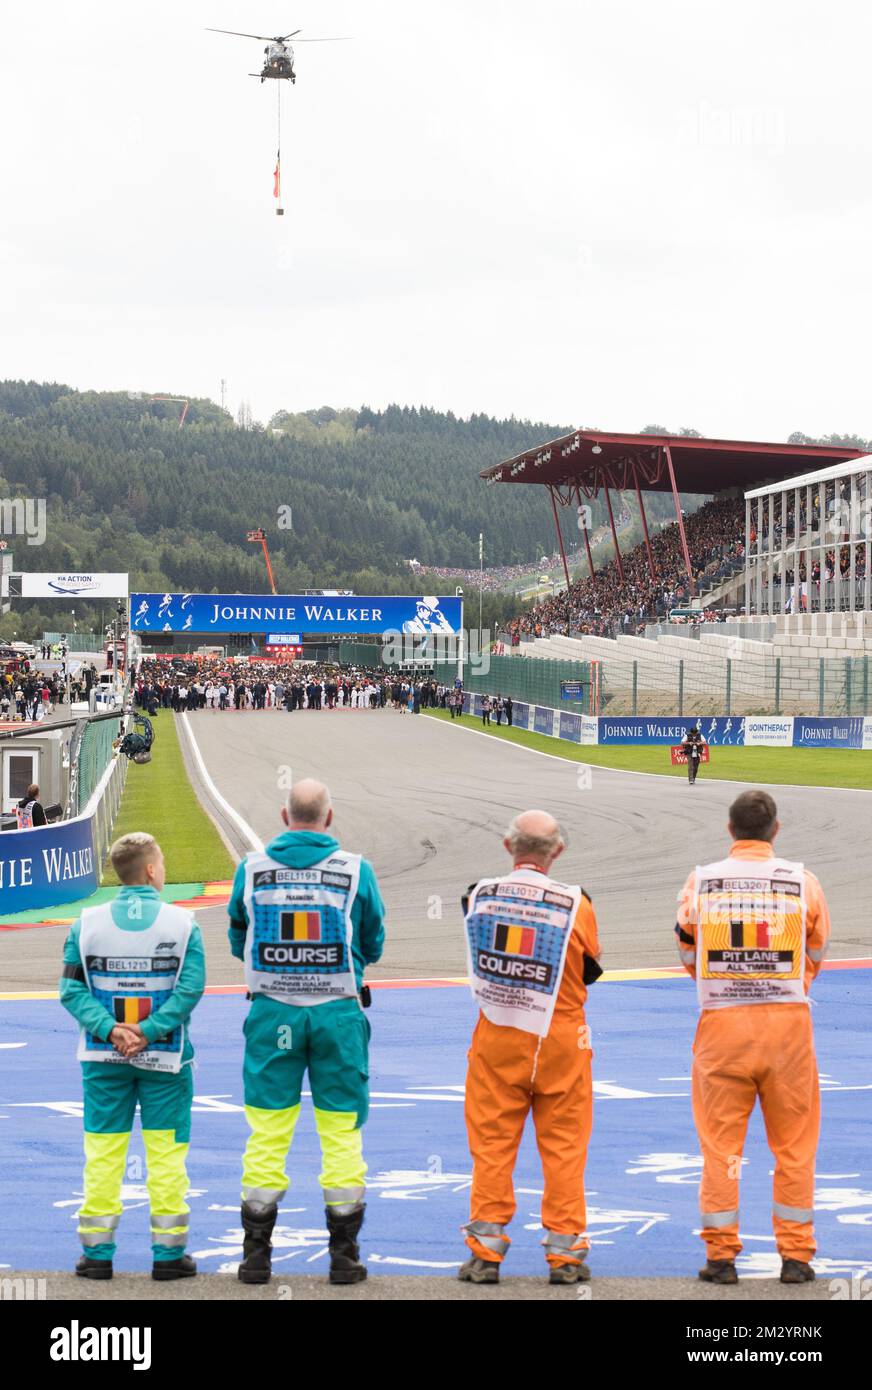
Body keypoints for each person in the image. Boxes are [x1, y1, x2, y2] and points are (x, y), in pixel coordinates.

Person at [228, 778, 386, 1286]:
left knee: (268, 1132)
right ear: (329, 818)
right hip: (337, 1014)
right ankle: (344, 1255)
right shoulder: (356, 870)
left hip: (273, 1013)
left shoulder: (250, 869)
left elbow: (238, 935)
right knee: (340, 1133)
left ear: (283, 815)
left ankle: (256, 1256)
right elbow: (373, 940)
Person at [675, 789, 831, 1285]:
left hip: (722, 1026)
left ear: (730, 831)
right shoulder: (802, 882)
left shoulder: (700, 882)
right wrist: (788, 985)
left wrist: (722, 984)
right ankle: (796, 1257)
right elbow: (818, 950)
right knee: (795, 1147)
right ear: (775, 831)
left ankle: (721, 1258)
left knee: (722, 1149)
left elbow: (686, 952)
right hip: (787, 1028)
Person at [460, 810, 602, 1284]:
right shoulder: (576, 902)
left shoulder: (477, 895)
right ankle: (565, 1255)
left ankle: (485, 1255)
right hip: (560, 1036)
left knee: (491, 1144)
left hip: (499, 1032)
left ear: (507, 846)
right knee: (564, 1148)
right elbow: (589, 967)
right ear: (557, 851)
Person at [59, 832, 205, 1280]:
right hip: (166, 1059)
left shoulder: (86, 923)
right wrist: (148, 1031)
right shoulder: (183, 924)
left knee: (103, 1154)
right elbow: (189, 989)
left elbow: (71, 988)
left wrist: (110, 1030)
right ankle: (167, 1258)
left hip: (104, 1059)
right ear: (150, 871)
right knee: (165, 1155)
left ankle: (97, 1256)